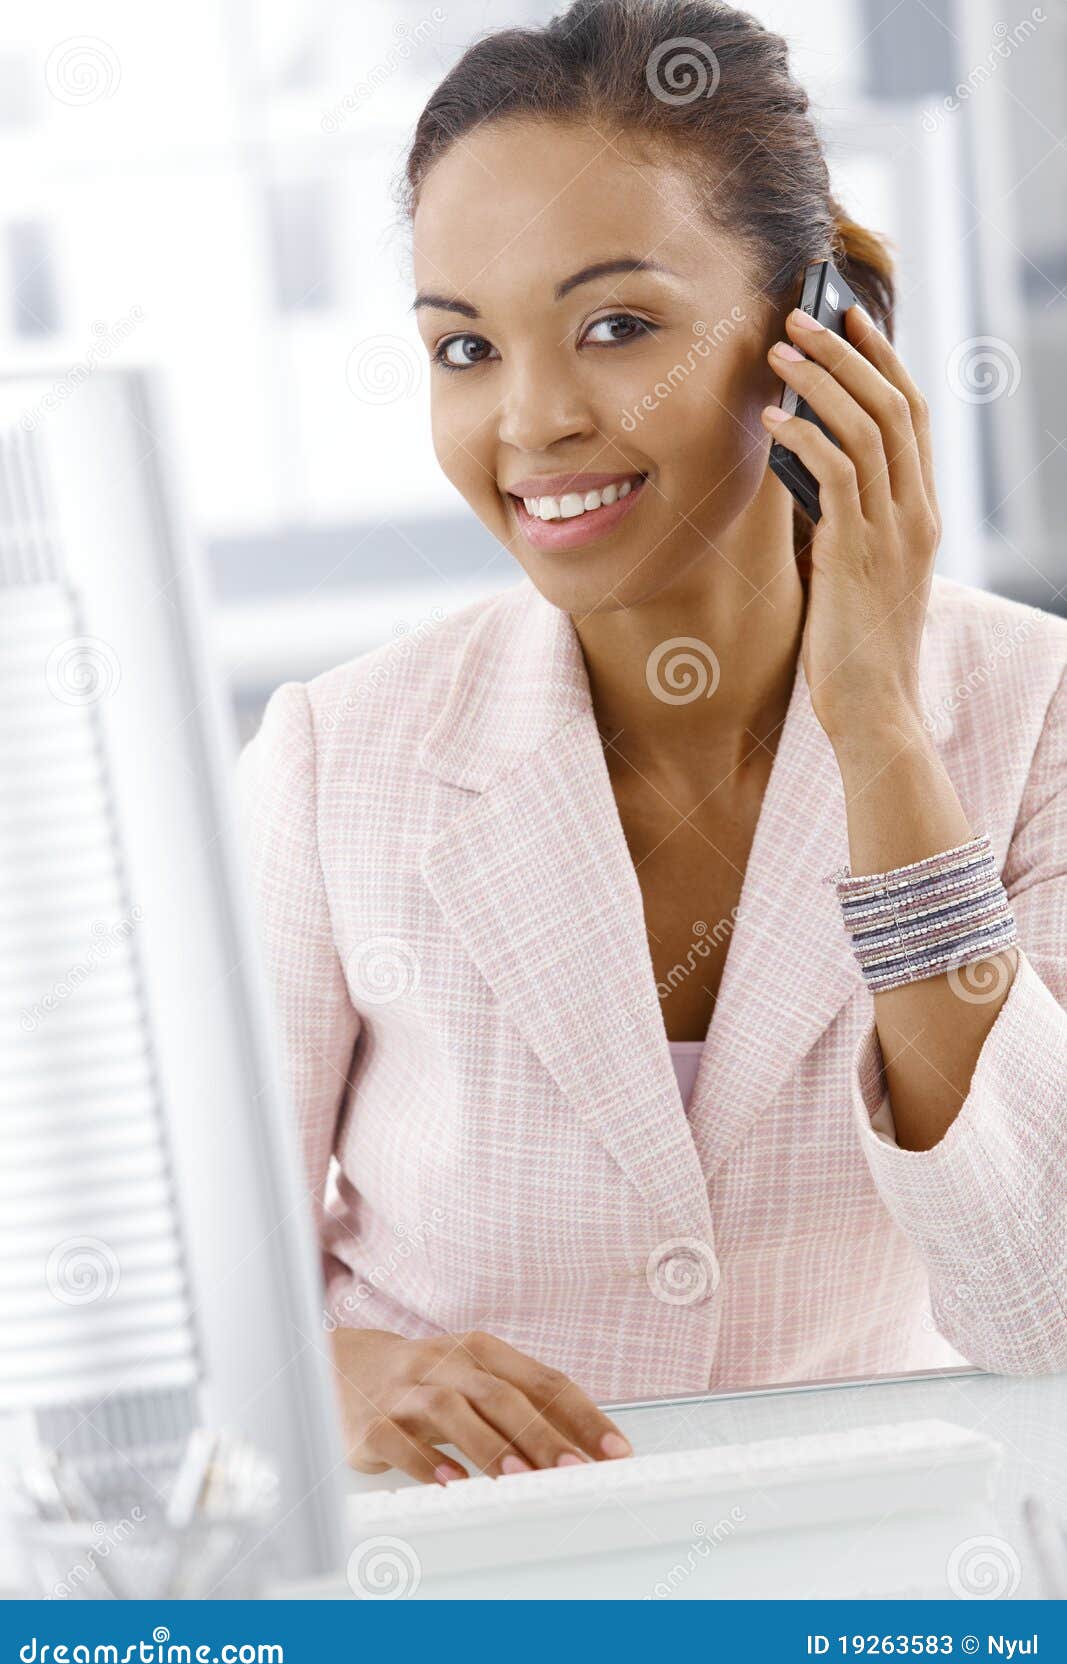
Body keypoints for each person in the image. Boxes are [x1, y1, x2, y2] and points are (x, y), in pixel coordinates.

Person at [237, 0, 1067, 1486]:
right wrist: (340, 1370)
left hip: (868, 1578)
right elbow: (193, 1303)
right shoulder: (332, 763)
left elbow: (1047, 1301)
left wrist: (879, 730)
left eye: (618, 326)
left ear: (816, 337)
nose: (534, 417)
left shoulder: (1033, 709)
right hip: (478, 1586)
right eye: (466, 347)